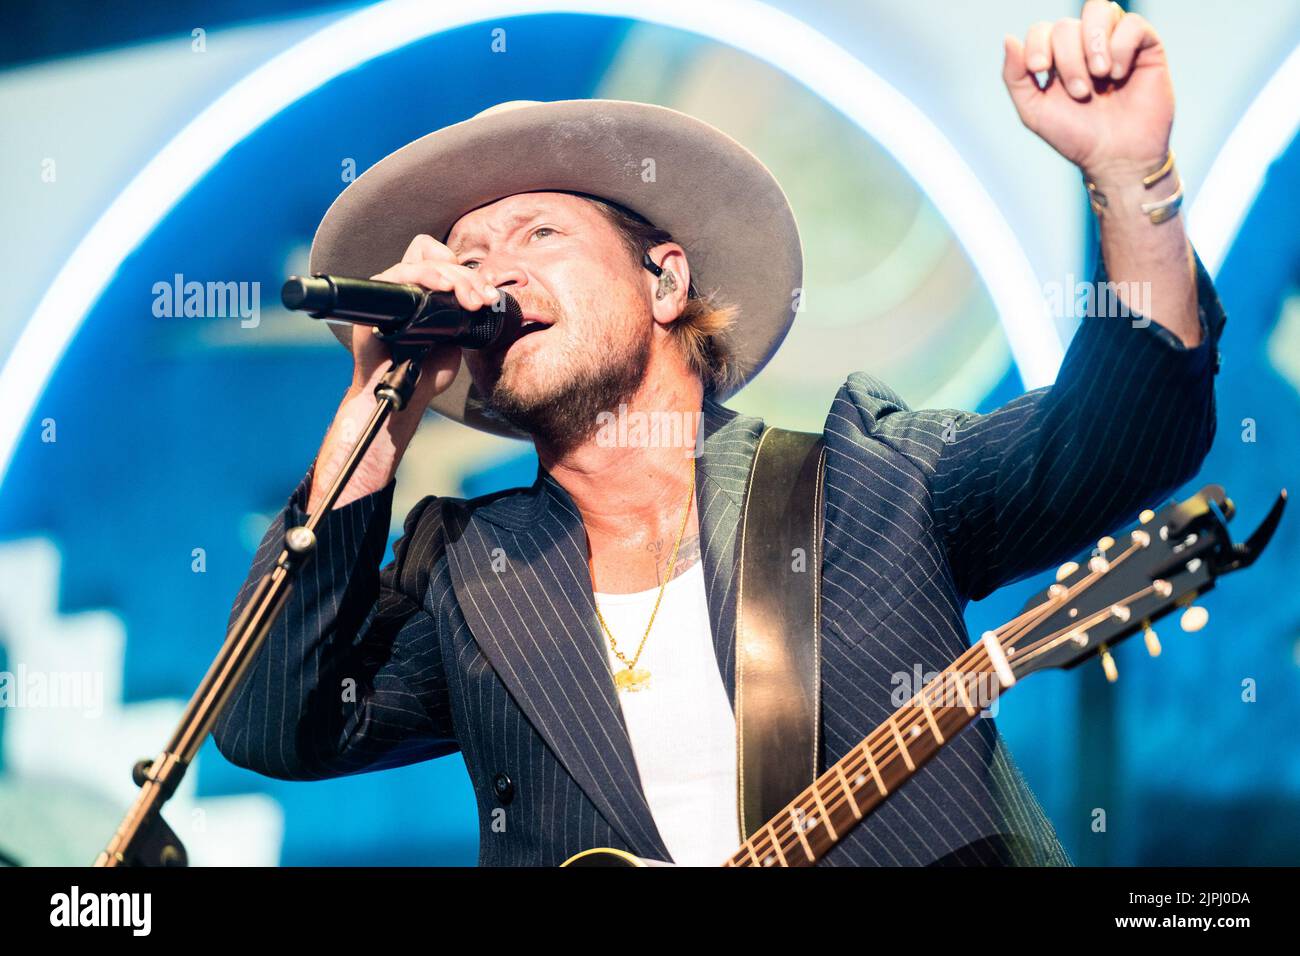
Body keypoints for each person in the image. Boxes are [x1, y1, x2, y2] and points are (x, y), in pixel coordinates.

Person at [213, 2, 1225, 866]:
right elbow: (269, 720)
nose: (492, 276)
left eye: (538, 235)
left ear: (665, 281)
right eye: (468, 256)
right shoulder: (469, 575)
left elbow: (1128, 433)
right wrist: (374, 406)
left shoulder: (871, 480)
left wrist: (1131, 180)